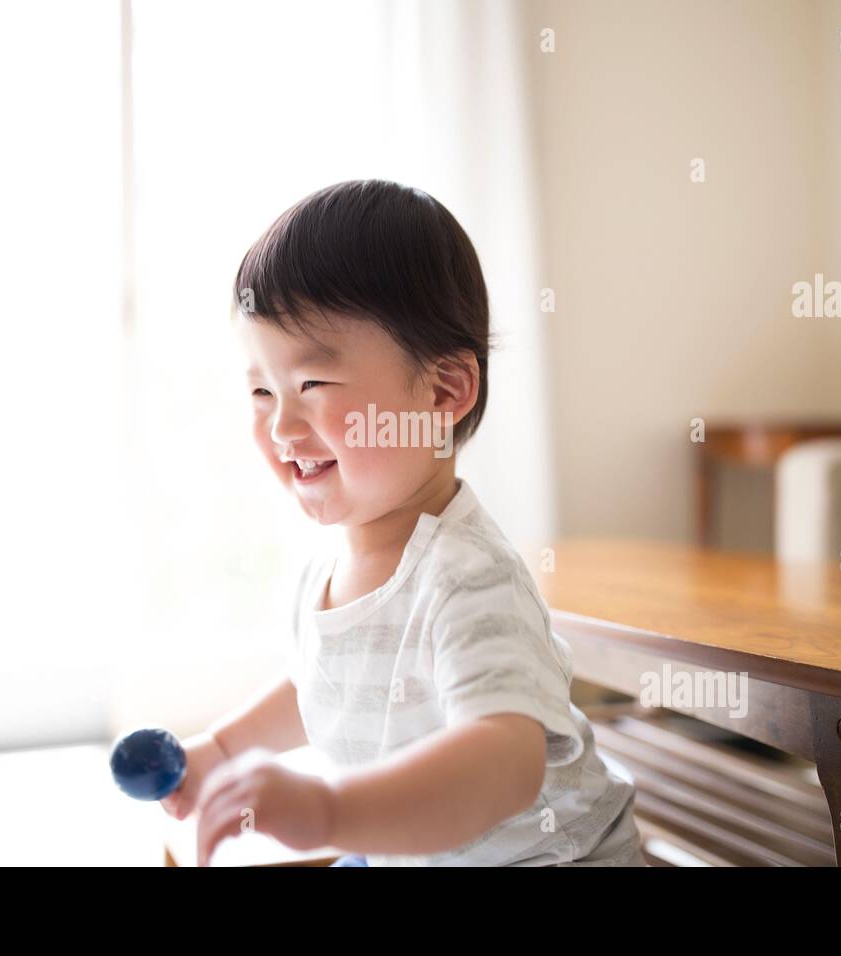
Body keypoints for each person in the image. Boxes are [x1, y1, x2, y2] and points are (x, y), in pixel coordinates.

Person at [160, 179, 646, 867]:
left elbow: (504, 761)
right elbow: (322, 687)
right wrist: (223, 750)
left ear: (443, 392)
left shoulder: (469, 577)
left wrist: (330, 813)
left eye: (313, 386)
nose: (281, 424)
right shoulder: (325, 572)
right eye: (261, 391)